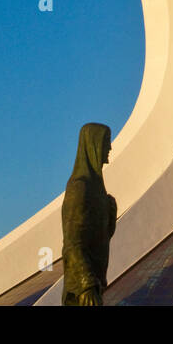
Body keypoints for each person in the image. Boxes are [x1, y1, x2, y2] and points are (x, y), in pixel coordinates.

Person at [61, 123, 115, 306]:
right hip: (82, 291)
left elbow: (99, 238)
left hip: (95, 284)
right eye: (106, 142)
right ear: (93, 145)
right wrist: (86, 286)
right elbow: (72, 243)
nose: (110, 147)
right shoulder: (79, 187)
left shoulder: (97, 189)